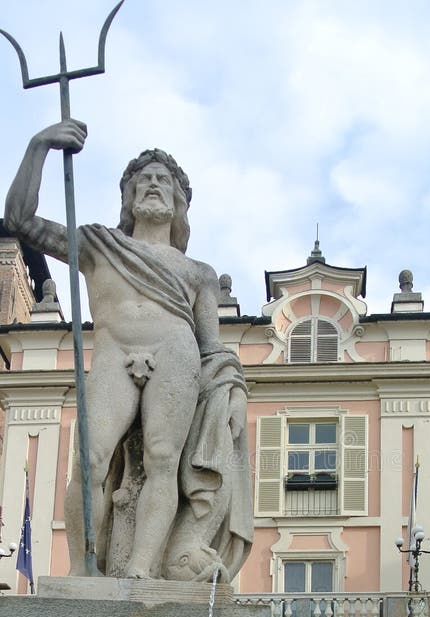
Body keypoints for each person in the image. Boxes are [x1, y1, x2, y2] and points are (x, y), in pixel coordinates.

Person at [4, 120, 253, 581]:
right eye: (144, 179)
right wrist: (39, 146)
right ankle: (83, 570)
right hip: (115, 353)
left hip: (175, 355)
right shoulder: (100, 244)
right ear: (129, 196)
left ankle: (141, 569)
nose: (154, 184)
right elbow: (19, 220)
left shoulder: (199, 272)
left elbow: (212, 347)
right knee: (90, 461)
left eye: (165, 181)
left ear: (179, 203)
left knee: (163, 461)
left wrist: (233, 388)